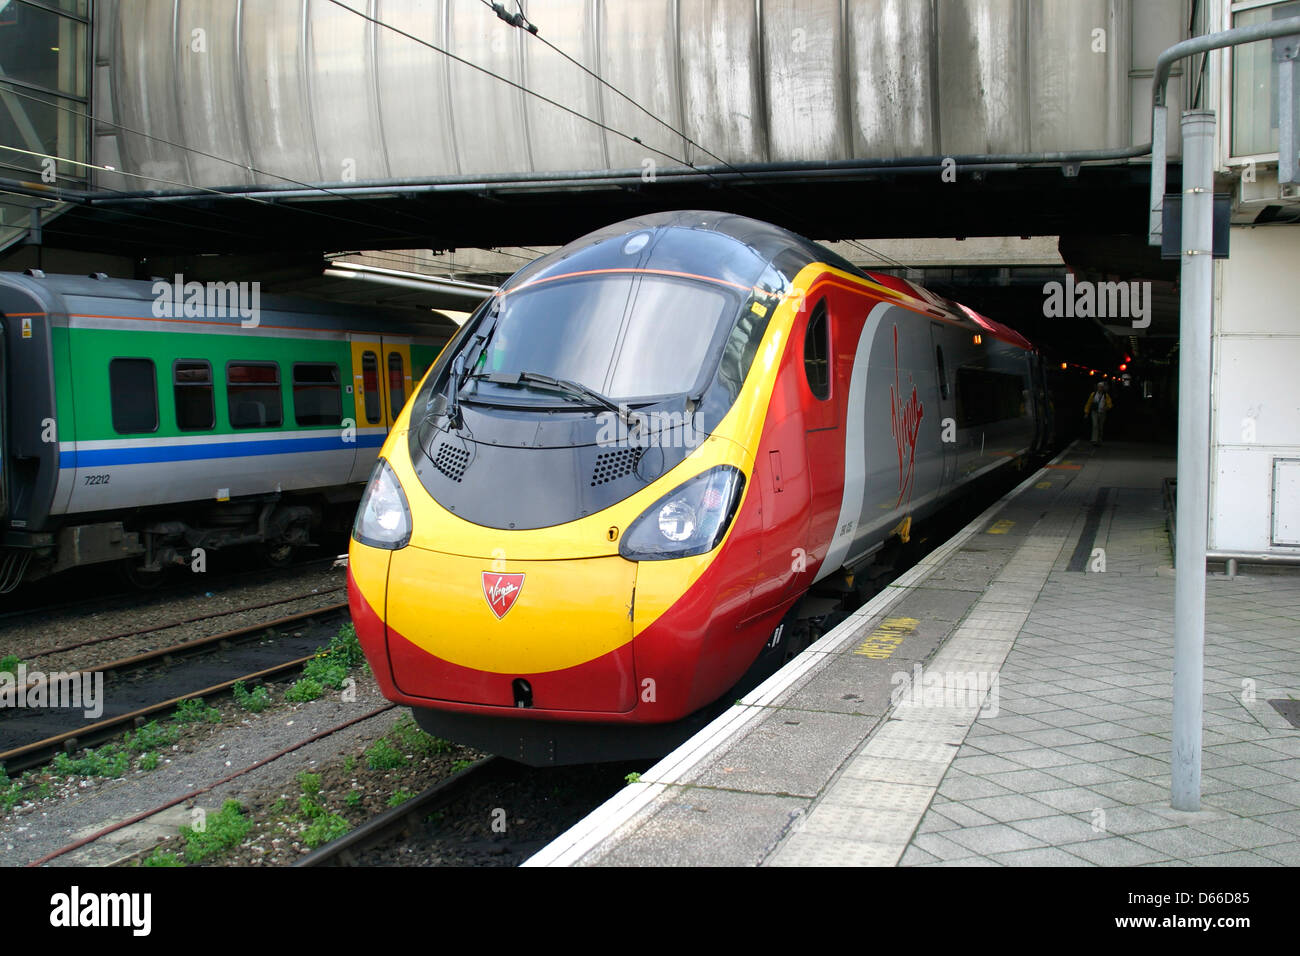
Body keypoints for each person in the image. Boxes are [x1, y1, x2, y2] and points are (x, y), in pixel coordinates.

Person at [1084, 381, 1113, 446]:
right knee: (1095, 425)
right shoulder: (1093, 394)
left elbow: (1110, 404)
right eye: (1099, 387)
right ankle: (1094, 440)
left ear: (1103, 388)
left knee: (1100, 426)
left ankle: (1099, 439)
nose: (1100, 388)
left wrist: (1106, 407)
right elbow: (1088, 403)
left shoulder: (1106, 395)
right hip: (1094, 412)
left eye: (1101, 387)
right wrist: (1086, 412)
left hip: (1102, 412)